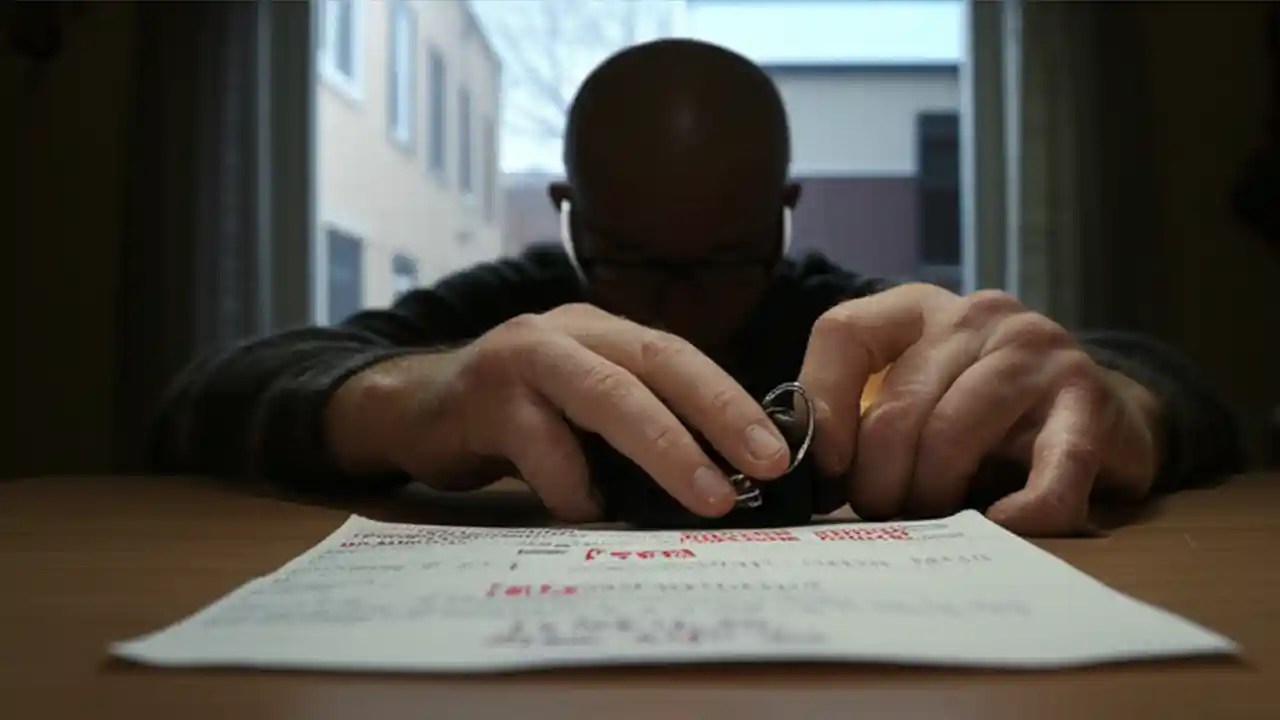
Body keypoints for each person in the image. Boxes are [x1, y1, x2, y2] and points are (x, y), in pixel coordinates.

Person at [152, 39, 1245, 536]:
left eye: (721, 259)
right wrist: (414, 399)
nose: (674, 309)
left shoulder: (835, 317)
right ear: (568, 213)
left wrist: (1115, 403)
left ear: (784, 212)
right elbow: (201, 400)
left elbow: (1184, 394)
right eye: (629, 258)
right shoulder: (511, 318)